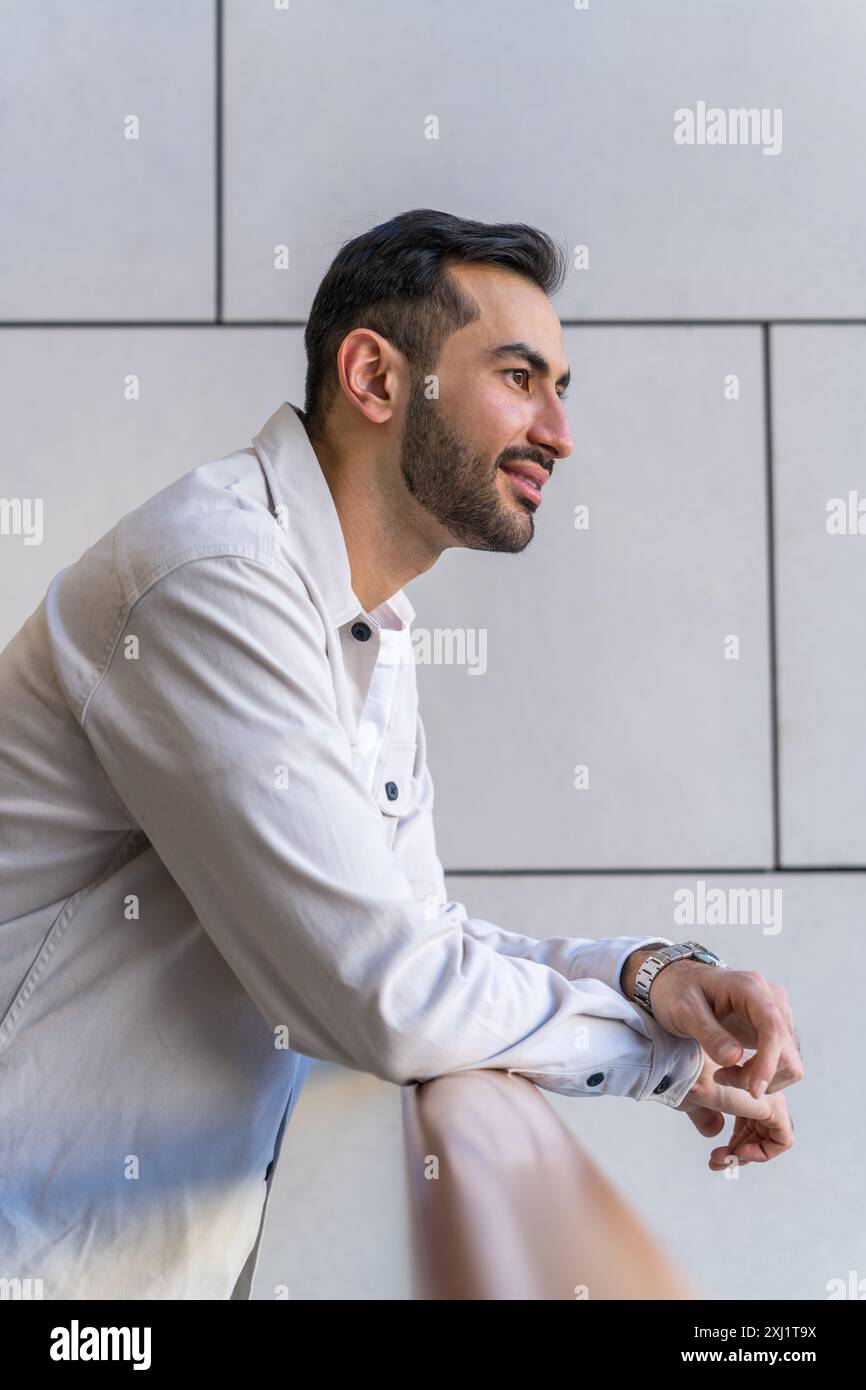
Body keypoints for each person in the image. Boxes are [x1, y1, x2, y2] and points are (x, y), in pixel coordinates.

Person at [0, 209, 802, 1300]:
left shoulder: (361, 615)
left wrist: (647, 976)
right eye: (519, 376)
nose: (559, 431)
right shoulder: (213, 581)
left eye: (561, 386)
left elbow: (408, 936)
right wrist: (658, 1060)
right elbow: (384, 995)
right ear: (377, 377)